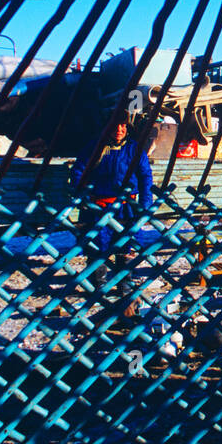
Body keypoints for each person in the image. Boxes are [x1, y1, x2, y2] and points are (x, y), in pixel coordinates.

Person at [71, 109, 155, 307]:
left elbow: (145, 176)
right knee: (97, 247)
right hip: (99, 207)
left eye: (123, 126)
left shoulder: (135, 149)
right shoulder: (94, 148)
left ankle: (125, 285)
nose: (119, 130)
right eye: (115, 126)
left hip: (126, 207)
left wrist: (145, 204)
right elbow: (78, 172)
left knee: (126, 245)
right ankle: (98, 287)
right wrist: (81, 194)